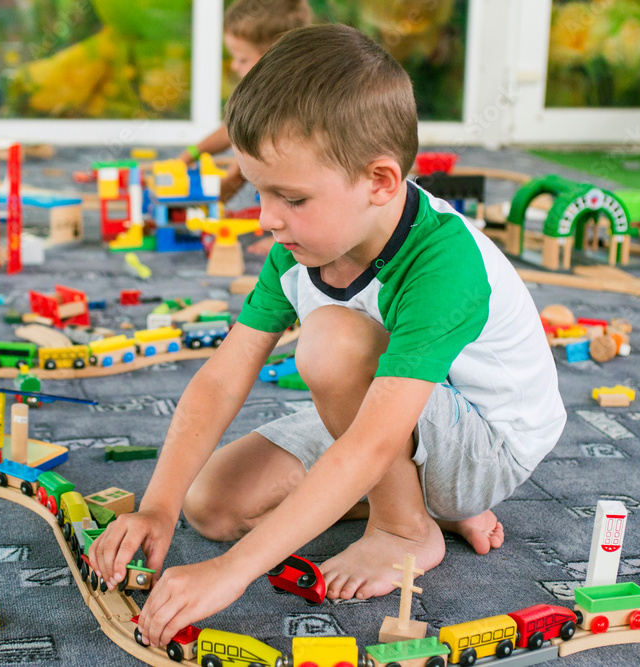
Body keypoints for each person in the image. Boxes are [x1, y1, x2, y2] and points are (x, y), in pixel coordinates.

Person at [89, 24, 566, 648]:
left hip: (489, 441)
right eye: (260, 191)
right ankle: (430, 509)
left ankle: (405, 530)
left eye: (291, 197)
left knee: (330, 341)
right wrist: (159, 505)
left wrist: (233, 574)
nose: (266, 219)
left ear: (380, 182)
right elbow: (223, 376)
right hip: (393, 408)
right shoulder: (301, 244)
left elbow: (370, 443)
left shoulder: (443, 262)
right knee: (213, 504)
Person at [177, 0, 313, 201]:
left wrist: (208, 204)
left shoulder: (290, 98)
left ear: (275, 55)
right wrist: (191, 154)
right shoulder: (263, 89)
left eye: (242, 59)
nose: (234, 66)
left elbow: (241, 166)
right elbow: (231, 129)